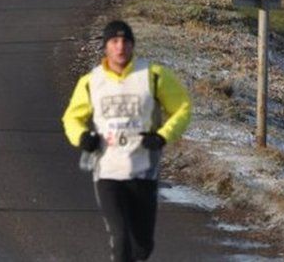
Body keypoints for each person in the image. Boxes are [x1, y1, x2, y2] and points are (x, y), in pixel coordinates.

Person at [62, 20, 191, 262]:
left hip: (143, 170)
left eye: (125, 41)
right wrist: (81, 137)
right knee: (121, 239)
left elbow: (182, 108)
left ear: (133, 46)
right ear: (106, 47)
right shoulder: (92, 81)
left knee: (142, 246)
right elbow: (72, 117)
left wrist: (163, 135)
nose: (120, 47)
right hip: (108, 171)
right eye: (114, 41)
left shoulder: (153, 76)